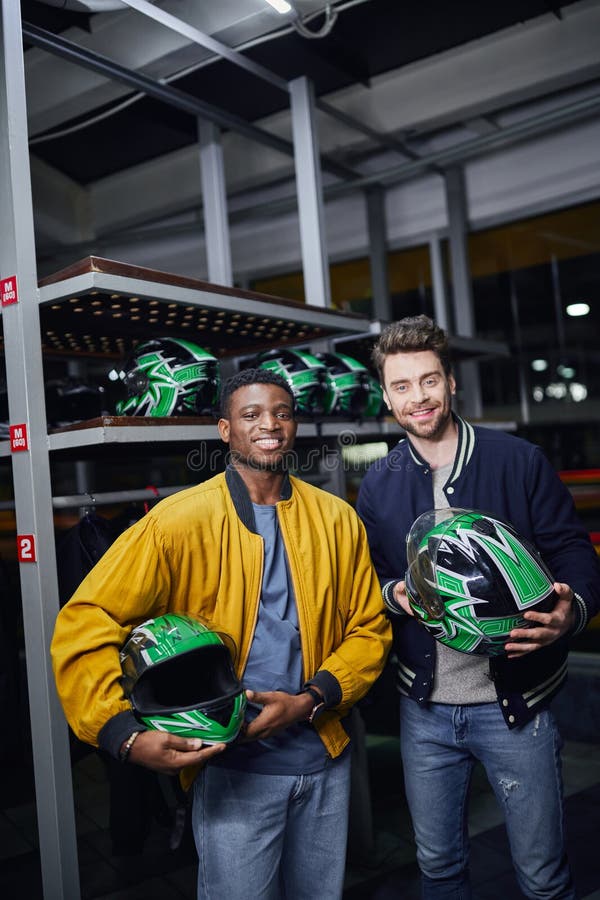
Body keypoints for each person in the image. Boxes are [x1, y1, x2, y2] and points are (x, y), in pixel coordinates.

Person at [51, 367, 391, 900]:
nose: (270, 425)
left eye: (282, 412)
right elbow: (85, 620)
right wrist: (121, 733)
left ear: (294, 425)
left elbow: (370, 628)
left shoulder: (337, 518)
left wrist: (309, 701)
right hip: (233, 766)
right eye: (251, 414)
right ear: (224, 430)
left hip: (324, 757)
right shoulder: (178, 521)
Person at [356, 315, 600, 899]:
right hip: (425, 711)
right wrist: (394, 594)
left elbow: (572, 548)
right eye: (403, 386)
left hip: (515, 706)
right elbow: (371, 577)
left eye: (429, 380)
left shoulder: (516, 459)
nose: (419, 397)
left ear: (451, 383)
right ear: (386, 396)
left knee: (542, 878)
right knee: (439, 870)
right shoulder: (379, 483)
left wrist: (575, 611)